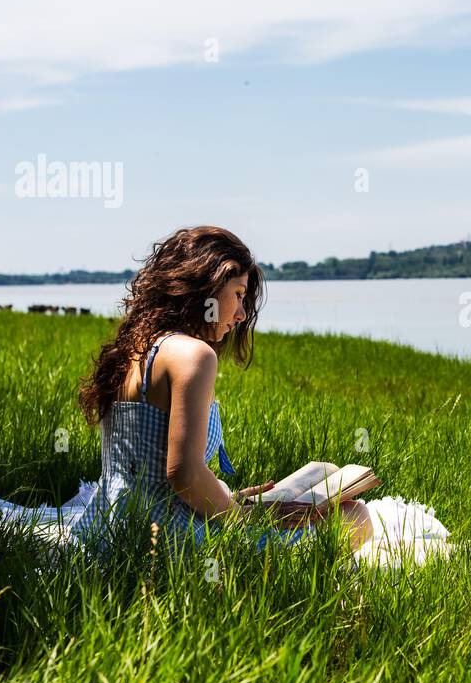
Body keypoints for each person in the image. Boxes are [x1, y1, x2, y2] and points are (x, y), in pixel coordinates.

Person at [70, 225, 375, 559]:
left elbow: (151, 469)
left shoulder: (136, 348)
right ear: (207, 287)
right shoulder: (193, 355)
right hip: (169, 543)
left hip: (111, 527)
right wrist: (242, 516)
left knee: (327, 473)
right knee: (354, 515)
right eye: (239, 294)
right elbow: (183, 475)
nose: (242, 314)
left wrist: (233, 499)